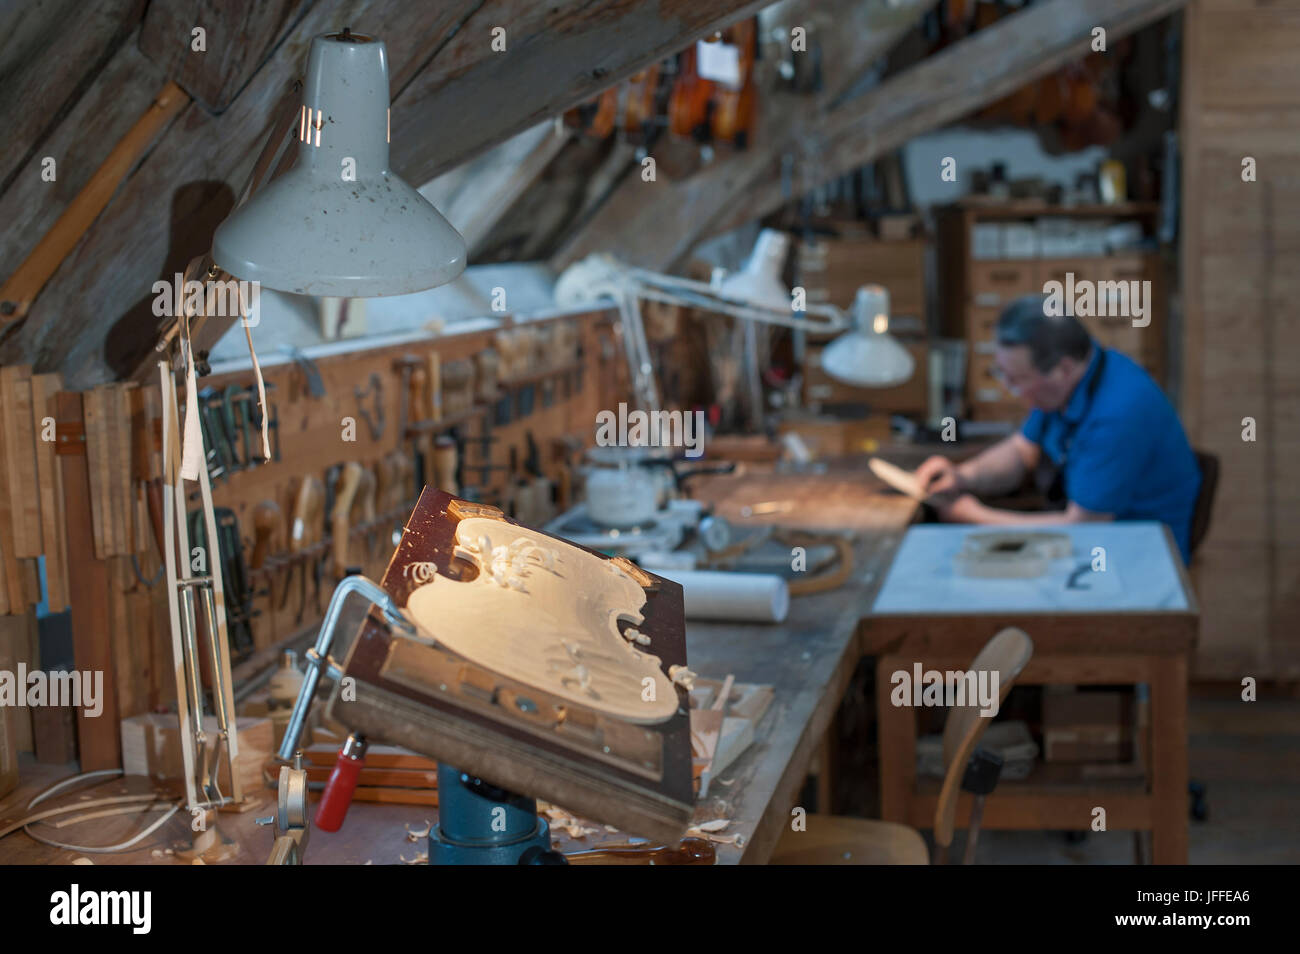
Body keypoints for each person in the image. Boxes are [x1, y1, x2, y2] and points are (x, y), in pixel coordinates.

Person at [916, 295, 1201, 562]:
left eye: (1016, 380)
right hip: (1090, 537)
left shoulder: (1119, 413)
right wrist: (963, 476)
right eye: (1002, 374)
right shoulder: (1067, 386)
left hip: (1133, 559)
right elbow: (1021, 452)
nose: (1009, 389)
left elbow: (1083, 528)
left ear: (1063, 369)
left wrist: (973, 517)